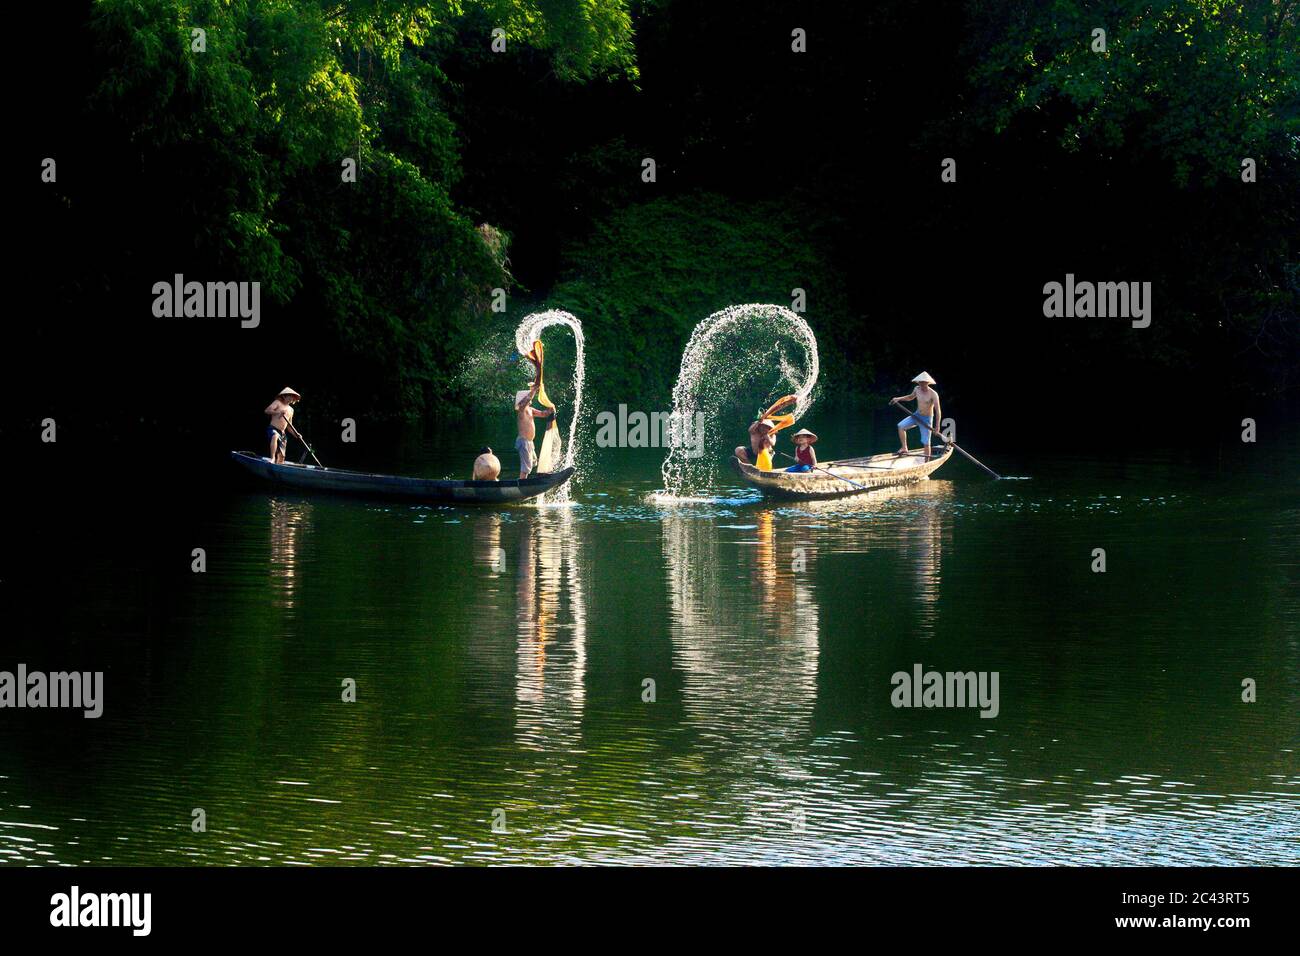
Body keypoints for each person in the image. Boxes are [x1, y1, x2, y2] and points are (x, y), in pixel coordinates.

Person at [515, 360, 554, 479]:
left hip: (529, 442)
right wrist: (534, 390)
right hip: (524, 441)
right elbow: (527, 399)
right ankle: (521, 483)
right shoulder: (521, 409)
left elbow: (543, 414)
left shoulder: (530, 409)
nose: (529, 398)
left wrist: (551, 410)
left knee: (532, 463)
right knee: (526, 466)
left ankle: (526, 481)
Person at [892, 371, 942, 458]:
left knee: (926, 442)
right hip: (916, 415)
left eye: (923, 382)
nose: (921, 384)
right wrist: (898, 399)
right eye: (920, 382)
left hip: (927, 419)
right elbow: (910, 397)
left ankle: (926, 462)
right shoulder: (917, 389)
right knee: (900, 426)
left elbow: (938, 411)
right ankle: (904, 448)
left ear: (927, 383)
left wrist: (937, 427)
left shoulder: (933, 394)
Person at [264, 387, 303, 464]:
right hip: (273, 429)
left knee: (281, 459)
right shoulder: (277, 402)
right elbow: (267, 410)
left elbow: (289, 426)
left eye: (292, 397)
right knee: (275, 436)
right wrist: (278, 412)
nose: (291, 398)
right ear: (284, 396)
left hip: (282, 433)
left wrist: (296, 434)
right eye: (289, 396)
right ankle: (272, 458)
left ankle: (278, 463)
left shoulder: (291, 410)